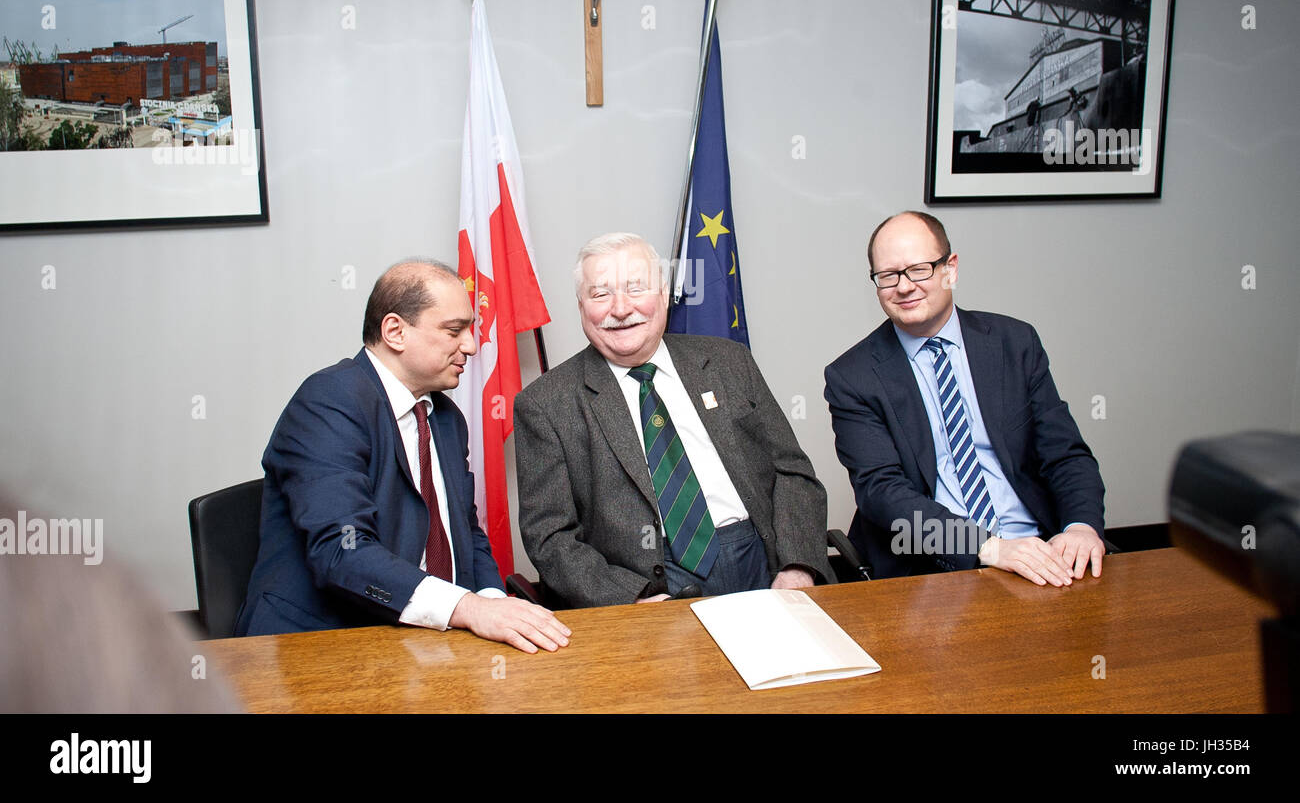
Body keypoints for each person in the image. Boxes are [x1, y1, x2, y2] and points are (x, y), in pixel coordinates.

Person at [235, 260, 570, 654]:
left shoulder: (445, 418)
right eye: (454, 330)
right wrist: (469, 608)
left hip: (424, 638)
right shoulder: (328, 402)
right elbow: (343, 551)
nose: (472, 346)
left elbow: (466, 531)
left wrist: (495, 605)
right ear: (395, 331)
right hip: (320, 644)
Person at [514, 233, 832, 608]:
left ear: (663, 294)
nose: (620, 308)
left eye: (636, 288)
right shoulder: (545, 403)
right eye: (601, 295)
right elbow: (550, 536)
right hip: (646, 586)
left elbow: (791, 472)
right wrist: (633, 600)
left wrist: (797, 566)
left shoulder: (728, 362)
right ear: (581, 306)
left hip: (760, 562)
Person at [823, 212, 1106, 585]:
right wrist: (987, 548)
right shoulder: (853, 376)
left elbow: (1065, 453)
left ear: (950, 269)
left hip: (1040, 549)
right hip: (930, 566)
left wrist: (1082, 527)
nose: (904, 287)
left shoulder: (1013, 343)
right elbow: (881, 492)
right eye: (888, 276)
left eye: (919, 269)